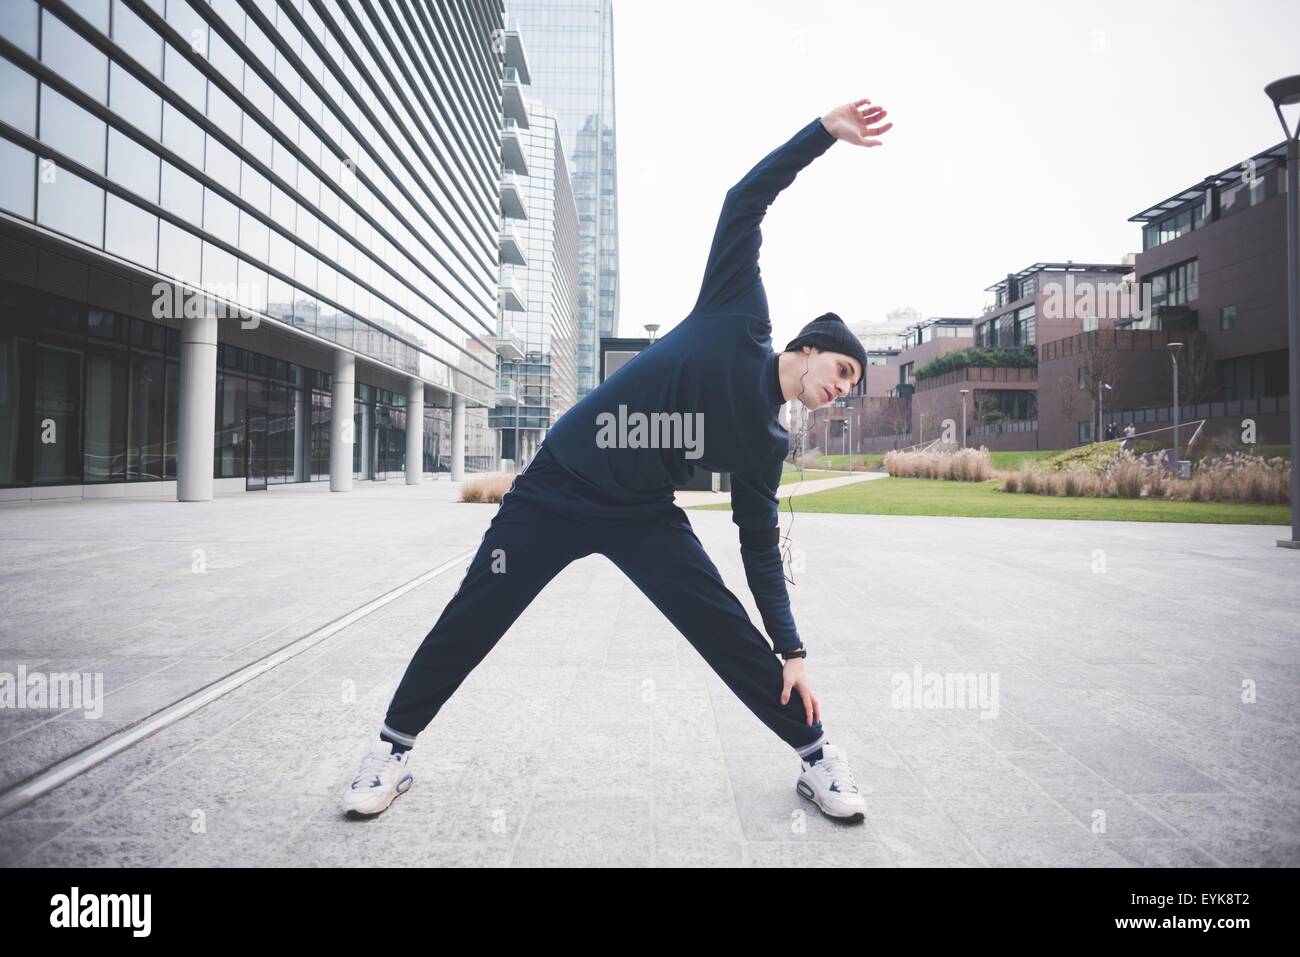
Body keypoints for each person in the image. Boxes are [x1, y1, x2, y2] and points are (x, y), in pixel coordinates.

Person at [343, 99, 893, 825]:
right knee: (477, 609)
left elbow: (758, 549)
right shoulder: (738, 312)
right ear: (808, 346)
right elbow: (745, 200)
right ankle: (389, 749)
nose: (841, 389)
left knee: (724, 625)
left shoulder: (767, 445)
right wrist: (822, 133)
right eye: (844, 369)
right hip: (557, 486)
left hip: (641, 516)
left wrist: (791, 647)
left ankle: (818, 757)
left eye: (853, 386)